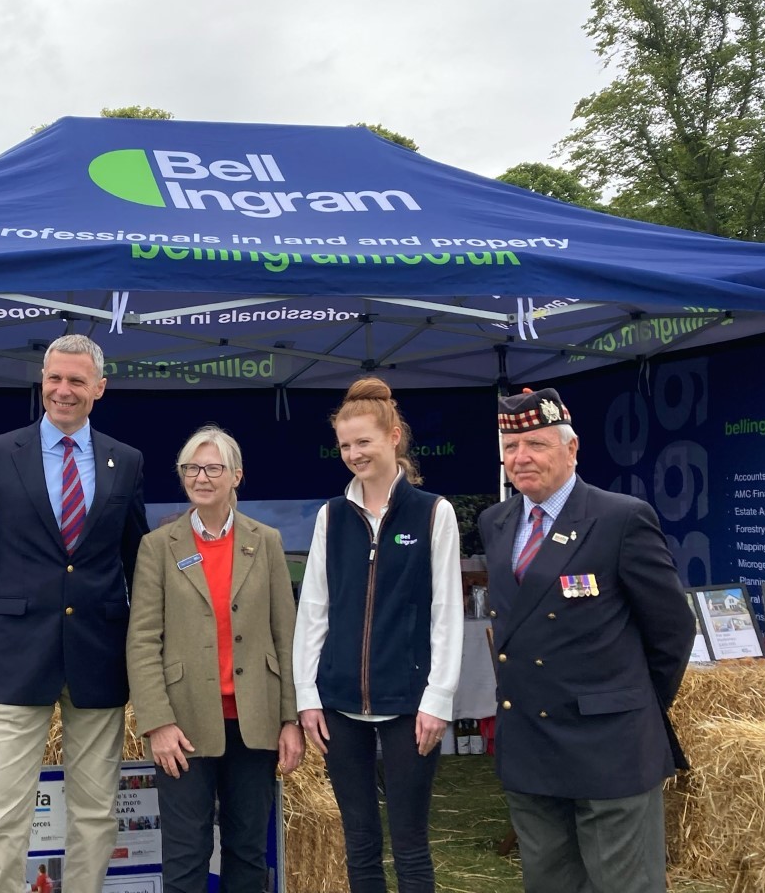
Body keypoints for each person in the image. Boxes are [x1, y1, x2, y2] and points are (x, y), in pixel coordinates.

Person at [0, 333, 149, 893]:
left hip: (100, 658)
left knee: (96, 813)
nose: (63, 390)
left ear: (99, 388)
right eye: (55, 378)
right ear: (42, 381)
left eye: (77, 381)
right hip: (16, 657)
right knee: (2, 816)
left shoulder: (125, 462)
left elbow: (140, 562)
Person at [478, 387, 695, 893]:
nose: (521, 458)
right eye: (511, 448)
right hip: (531, 745)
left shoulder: (620, 518)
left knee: (625, 885)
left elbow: (672, 629)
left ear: (571, 449)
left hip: (609, 750)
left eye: (536, 444)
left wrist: (631, 706)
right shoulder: (497, 522)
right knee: (550, 883)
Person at [294, 376, 462, 893]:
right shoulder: (331, 516)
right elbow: (315, 609)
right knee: (359, 840)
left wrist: (439, 698)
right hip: (339, 702)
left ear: (393, 436)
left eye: (363, 441)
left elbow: (447, 612)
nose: (353, 454)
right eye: (345, 445)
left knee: (411, 843)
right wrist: (307, 695)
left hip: (410, 702)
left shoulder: (434, 512)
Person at [127, 427, 303, 893]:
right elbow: (142, 640)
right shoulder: (158, 546)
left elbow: (286, 635)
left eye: (212, 468)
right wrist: (156, 722)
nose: (200, 477)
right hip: (183, 727)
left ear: (237, 476)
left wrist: (291, 719)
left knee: (248, 851)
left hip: (255, 722)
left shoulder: (265, 541)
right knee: (185, 853)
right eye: (191, 468)